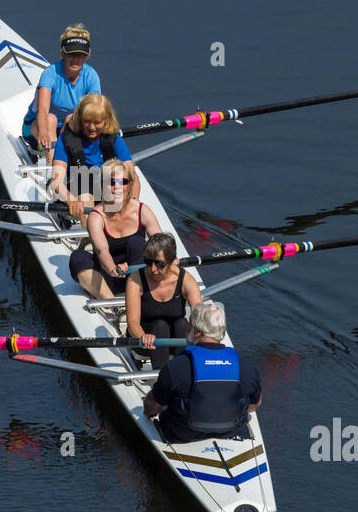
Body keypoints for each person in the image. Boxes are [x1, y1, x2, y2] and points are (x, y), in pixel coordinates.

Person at [143, 302, 262, 443]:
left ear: (197, 332)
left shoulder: (175, 367)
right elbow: (254, 406)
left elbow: (153, 406)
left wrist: (147, 408)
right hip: (231, 431)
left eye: (190, 325)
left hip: (182, 434)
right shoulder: (247, 367)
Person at [67, 159, 161, 301]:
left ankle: (144, 298)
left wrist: (169, 259)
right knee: (77, 257)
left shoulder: (142, 210)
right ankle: (114, 305)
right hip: (107, 278)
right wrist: (114, 269)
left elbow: (160, 242)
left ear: (130, 185)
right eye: (111, 182)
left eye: (123, 182)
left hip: (138, 276)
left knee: (138, 243)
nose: (117, 187)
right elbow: (102, 250)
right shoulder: (96, 216)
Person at [46, 94, 133, 218]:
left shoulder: (114, 139)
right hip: (76, 186)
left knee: (127, 183)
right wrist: (71, 200)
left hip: (104, 184)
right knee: (85, 194)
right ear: (80, 118)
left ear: (106, 120)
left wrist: (132, 202)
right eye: (87, 121)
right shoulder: (66, 139)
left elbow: (131, 173)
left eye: (97, 123)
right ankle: (90, 228)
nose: (92, 128)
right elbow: (56, 181)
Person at [126, 232, 203, 369]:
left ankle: (183, 371)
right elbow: (132, 322)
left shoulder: (186, 280)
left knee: (182, 324)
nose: (153, 269)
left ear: (172, 261)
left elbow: (200, 316)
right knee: (160, 326)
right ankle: (160, 376)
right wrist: (143, 337)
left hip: (175, 341)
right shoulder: (135, 279)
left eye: (159, 264)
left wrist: (199, 332)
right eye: (148, 262)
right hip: (145, 342)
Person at [23, 24, 101, 157]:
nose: (75, 59)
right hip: (37, 128)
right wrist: (43, 133)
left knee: (73, 118)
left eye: (80, 55)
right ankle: (53, 165)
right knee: (51, 119)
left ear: (86, 56)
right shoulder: (50, 74)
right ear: (63, 53)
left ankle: (67, 158)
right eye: (71, 54)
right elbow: (43, 110)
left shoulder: (91, 76)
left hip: (68, 127)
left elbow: (95, 112)